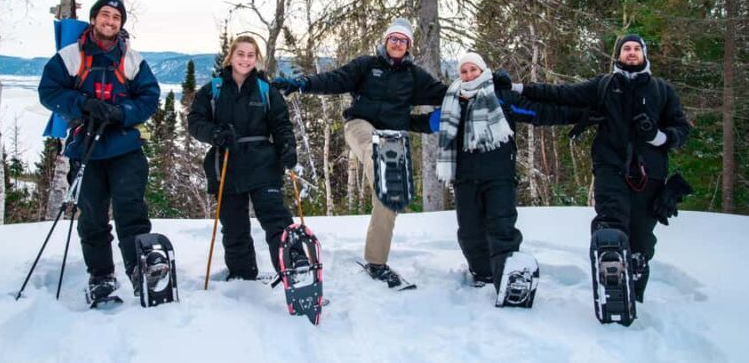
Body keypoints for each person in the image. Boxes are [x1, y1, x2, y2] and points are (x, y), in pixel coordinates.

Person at [272, 18, 451, 287]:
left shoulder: (414, 76)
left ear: (409, 46)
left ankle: (376, 262)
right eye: (393, 38)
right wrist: (302, 84)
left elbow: (446, 94)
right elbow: (335, 79)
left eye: (403, 40)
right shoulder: (367, 65)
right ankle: (383, 164)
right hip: (360, 127)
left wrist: (478, 90)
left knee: (388, 201)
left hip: (393, 139)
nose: (397, 43)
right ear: (385, 40)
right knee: (372, 143)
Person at [516, 34, 691, 302]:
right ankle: (610, 267)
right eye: (626, 49)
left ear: (644, 55)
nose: (631, 53)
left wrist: (657, 135)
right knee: (611, 223)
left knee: (641, 239)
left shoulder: (661, 90)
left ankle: (633, 292)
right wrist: (518, 88)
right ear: (618, 55)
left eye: (636, 49)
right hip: (610, 166)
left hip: (650, 174)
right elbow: (562, 94)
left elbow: (682, 130)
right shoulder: (604, 85)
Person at [412, 52, 582, 294]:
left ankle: (509, 276)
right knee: (469, 232)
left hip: (499, 177)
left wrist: (581, 115)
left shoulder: (501, 97)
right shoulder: (454, 103)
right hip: (465, 179)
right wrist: (387, 120)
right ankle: (482, 274)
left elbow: (540, 112)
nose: (469, 74)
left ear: (483, 71)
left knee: (502, 229)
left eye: (474, 70)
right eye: (464, 71)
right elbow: (427, 123)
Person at [38, 0, 161, 300]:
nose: (110, 21)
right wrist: (83, 105)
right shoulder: (72, 56)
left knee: (130, 210)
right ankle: (101, 276)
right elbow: (48, 91)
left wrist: (122, 113)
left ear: (121, 25)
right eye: (105, 15)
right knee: (92, 216)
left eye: (116, 18)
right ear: (94, 19)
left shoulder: (131, 59)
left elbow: (149, 98)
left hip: (124, 146)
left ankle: (139, 269)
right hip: (86, 145)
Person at [187, 35, 298, 281]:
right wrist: (214, 133)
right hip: (226, 163)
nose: (245, 60)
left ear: (256, 59)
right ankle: (241, 275)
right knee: (234, 225)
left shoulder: (266, 90)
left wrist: (287, 148)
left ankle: (293, 269)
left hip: (263, 163)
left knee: (276, 219)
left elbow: (281, 124)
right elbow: (195, 121)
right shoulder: (213, 89)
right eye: (241, 54)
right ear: (231, 56)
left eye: (250, 55)